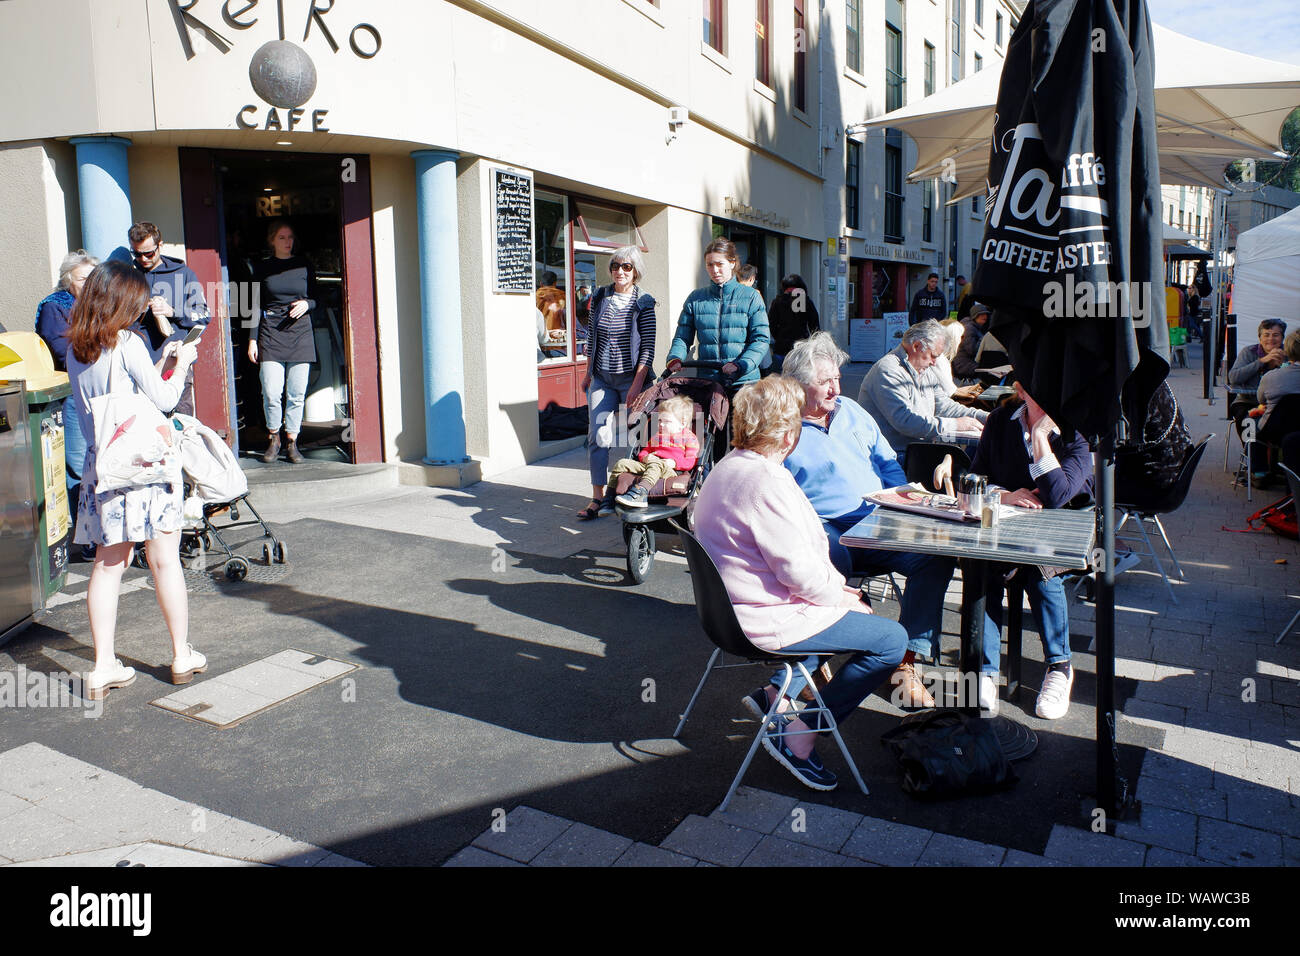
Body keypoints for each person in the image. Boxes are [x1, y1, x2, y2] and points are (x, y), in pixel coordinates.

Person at [693, 375, 907, 790]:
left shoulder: (729, 467)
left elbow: (793, 567)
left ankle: (775, 694)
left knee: (852, 610)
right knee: (890, 640)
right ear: (788, 432)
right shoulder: (765, 480)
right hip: (765, 618)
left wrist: (835, 592)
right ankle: (801, 736)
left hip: (734, 611)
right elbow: (798, 573)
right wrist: (840, 598)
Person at [783, 332, 1001, 709]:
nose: (836, 388)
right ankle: (811, 664)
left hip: (878, 519)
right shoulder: (783, 428)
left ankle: (905, 660)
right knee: (829, 558)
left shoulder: (850, 411)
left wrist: (903, 500)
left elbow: (887, 464)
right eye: (825, 382)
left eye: (837, 378)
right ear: (799, 385)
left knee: (935, 555)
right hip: (826, 527)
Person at [65, 261, 205, 700]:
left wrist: (159, 360)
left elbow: (111, 406)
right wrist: (181, 362)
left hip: (103, 468)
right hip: (146, 466)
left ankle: (103, 664)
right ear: (122, 299)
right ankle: (181, 653)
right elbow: (162, 400)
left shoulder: (76, 348)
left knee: (108, 567)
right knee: (165, 559)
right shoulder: (127, 342)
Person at [969, 381, 1092, 718]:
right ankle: (984, 672)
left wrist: (1039, 437)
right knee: (982, 569)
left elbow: (1055, 497)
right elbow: (976, 476)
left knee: (1041, 574)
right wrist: (1004, 495)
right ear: (1021, 390)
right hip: (1005, 524)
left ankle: (1059, 667)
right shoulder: (1000, 419)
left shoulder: (1075, 431)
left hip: (1056, 532)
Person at [577, 246, 657, 520]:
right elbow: (592, 337)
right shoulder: (600, 295)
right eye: (615, 266)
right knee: (598, 436)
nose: (619, 271)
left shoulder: (644, 302)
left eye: (626, 267)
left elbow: (648, 349)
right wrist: (588, 372)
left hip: (632, 379)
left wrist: (636, 387)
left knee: (638, 438)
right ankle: (598, 498)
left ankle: (633, 491)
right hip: (601, 378)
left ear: (636, 272)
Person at [35, 250, 100, 528]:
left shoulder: (99, 304)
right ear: (67, 280)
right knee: (78, 462)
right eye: (83, 279)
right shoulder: (55, 306)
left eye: (93, 278)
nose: (89, 284)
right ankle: (82, 530)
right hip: (73, 392)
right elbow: (62, 350)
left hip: (100, 390)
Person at [857, 320, 987, 457]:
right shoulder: (888, 371)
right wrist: (955, 424)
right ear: (916, 346)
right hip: (892, 455)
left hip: (917, 449)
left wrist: (985, 417)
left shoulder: (924, 371)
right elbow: (906, 421)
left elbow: (945, 406)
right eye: (932, 356)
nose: (934, 362)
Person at [248, 221, 318, 464]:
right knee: (271, 392)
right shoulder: (262, 268)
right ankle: (274, 437)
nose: (287, 241)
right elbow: (254, 305)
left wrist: (307, 304)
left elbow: (318, 297)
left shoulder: (304, 264)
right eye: (281, 237)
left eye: (290, 237)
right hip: (270, 334)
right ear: (272, 241)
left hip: (301, 334)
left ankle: (292, 441)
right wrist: (251, 340)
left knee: (297, 393)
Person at [127, 222, 209, 416]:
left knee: (181, 425)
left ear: (160, 246)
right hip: (140, 365)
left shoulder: (183, 273)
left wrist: (172, 311)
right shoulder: (127, 277)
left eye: (149, 253)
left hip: (174, 361)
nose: (143, 259)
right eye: (137, 254)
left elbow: (204, 315)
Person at [665, 238, 769, 385]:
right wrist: (675, 357)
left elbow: (761, 339)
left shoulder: (751, 296)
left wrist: (741, 365)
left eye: (720, 264)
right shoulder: (696, 298)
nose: (714, 270)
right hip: (708, 381)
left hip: (743, 382)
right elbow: (682, 336)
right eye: (710, 265)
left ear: (732, 263)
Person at [609, 394, 699, 509]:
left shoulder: (689, 438)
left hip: (671, 470)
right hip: (650, 465)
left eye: (667, 421)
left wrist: (674, 463)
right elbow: (645, 451)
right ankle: (609, 498)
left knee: (656, 463)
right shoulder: (657, 436)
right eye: (660, 420)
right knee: (622, 463)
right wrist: (645, 457)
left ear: (682, 423)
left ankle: (641, 493)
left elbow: (691, 461)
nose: (661, 424)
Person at [767, 274, 820, 372]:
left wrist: (779, 337)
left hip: (781, 347)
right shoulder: (805, 301)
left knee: (781, 380)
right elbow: (814, 325)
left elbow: (772, 324)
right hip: (801, 347)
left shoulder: (777, 302)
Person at [1228, 318, 1287, 394]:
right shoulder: (1249, 351)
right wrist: (1261, 361)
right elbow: (1233, 378)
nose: (1271, 339)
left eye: (1275, 335)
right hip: (1249, 398)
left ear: (1282, 338)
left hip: (1280, 399)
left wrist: (1283, 365)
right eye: (1266, 335)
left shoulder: (1289, 352)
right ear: (1260, 338)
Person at [952, 302, 992, 381]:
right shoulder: (969, 328)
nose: (985, 316)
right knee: (991, 369)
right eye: (981, 314)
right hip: (963, 364)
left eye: (986, 314)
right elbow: (972, 350)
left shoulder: (976, 327)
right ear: (975, 316)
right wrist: (983, 340)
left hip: (967, 362)